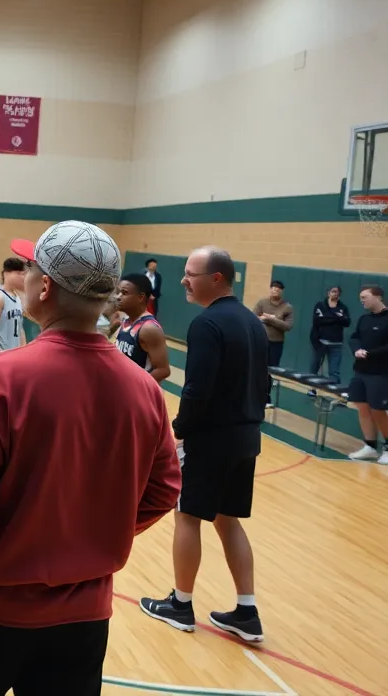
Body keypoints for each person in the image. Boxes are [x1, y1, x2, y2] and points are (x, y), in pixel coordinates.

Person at [0, 222, 179, 696]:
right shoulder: (144, 389)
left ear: (45, 287)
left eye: (31, 267)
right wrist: (95, 532)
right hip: (84, 617)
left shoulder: (2, 377)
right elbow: (164, 490)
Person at [140, 247, 268, 644]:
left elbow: (198, 389)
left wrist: (180, 428)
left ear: (217, 279)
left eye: (191, 274)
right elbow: (263, 384)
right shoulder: (252, 322)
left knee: (188, 516)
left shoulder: (207, 324)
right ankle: (247, 611)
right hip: (247, 436)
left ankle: (180, 604)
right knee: (228, 519)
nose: (183, 280)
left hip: (211, 439)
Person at [346, 285, 388, 464]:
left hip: (380, 372)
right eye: (361, 297)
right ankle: (370, 446)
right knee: (362, 407)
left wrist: (369, 353)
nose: (362, 300)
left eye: (365, 297)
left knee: (378, 410)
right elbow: (354, 337)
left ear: (378, 297)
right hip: (361, 370)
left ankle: (387, 447)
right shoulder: (364, 319)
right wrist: (357, 350)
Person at [115, 274, 171, 383]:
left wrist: (134, 387)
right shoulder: (126, 320)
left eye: (124, 293)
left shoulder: (148, 328)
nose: (118, 297)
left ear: (140, 297)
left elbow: (163, 370)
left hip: (136, 394)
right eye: (118, 292)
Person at [253, 280, 293, 405]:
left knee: (270, 371)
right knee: (257, 368)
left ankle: (266, 397)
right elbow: (253, 318)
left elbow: (287, 326)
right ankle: (253, 395)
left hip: (277, 343)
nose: (275, 291)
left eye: (278, 289)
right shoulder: (262, 303)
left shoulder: (287, 307)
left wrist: (269, 319)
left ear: (281, 291)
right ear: (270, 289)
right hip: (261, 341)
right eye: (273, 288)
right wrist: (273, 319)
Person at [0, 257, 26, 356]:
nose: (22, 277)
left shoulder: (17, 298)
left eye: (23, 274)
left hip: (13, 355)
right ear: (6, 274)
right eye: (18, 273)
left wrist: (23, 349)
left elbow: (20, 328)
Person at [309, 285, 350, 384]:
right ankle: (312, 389)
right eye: (333, 291)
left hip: (336, 344)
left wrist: (329, 318)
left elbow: (347, 322)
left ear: (339, 294)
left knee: (334, 371)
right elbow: (318, 320)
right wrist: (337, 318)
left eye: (337, 292)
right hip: (320, 342)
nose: (335, 293)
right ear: (328, 293)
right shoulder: (320, 305)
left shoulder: (343, 307)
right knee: (315, 367)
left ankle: (333, 394)